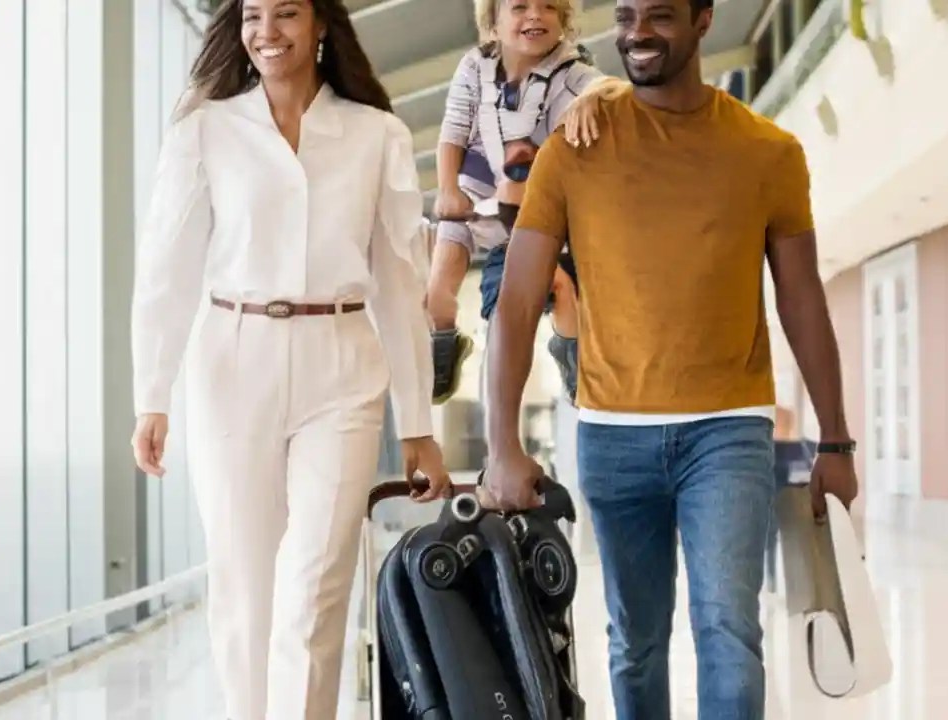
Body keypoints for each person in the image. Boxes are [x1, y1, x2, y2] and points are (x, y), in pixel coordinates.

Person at [482, 1, 860, 717]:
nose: (637, 34)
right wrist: (502, 444)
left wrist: (835, 441)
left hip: (729, 431)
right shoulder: (574, 147)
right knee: (634, 642)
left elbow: (803, 299)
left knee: (729, 632)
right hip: (611, 435)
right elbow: (519, 301)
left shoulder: (768, 151)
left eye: (659, 16)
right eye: (626, 16)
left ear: (704, 19)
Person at [128, 1, 451, 718]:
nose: (266, 31)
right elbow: (166, 268)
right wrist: (152, 394)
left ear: (321, 24)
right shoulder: (206, 130)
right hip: (232, 362)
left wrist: (418, 423)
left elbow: (399, 281)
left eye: (286, 13)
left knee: (315, 587)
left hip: (341, 365)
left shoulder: (377, 135)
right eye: (253, 15)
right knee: (244, 590)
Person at [426, 0, 602, 405]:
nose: (535, 15)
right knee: (438, 288)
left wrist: (595, 96)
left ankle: (570, 353)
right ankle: (447, 340)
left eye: (548, 7)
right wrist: (448, 189)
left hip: (534, 201)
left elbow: (612, 88)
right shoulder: (474, 67)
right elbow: (453, 130)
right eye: (519, 6)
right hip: (476, 191)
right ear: (493, 22)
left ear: (563, 21)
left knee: (561, 287)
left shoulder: (573, 71)